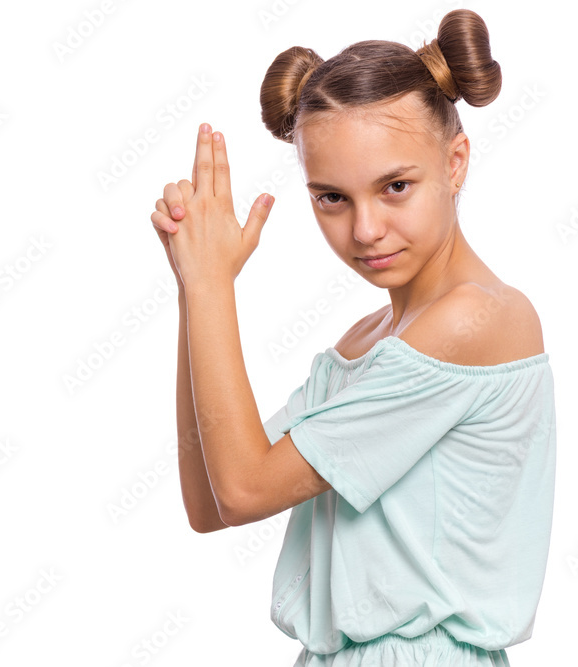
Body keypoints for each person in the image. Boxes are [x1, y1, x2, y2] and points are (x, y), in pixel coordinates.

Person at [149, 8, 556, 666]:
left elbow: (245, 487)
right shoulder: (365, 343)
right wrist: (192, 287)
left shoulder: (476, 320)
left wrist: (214, 287)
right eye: (331, 197)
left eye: (395, 186)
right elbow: (212, 501)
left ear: (455, 162)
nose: (365, 229)